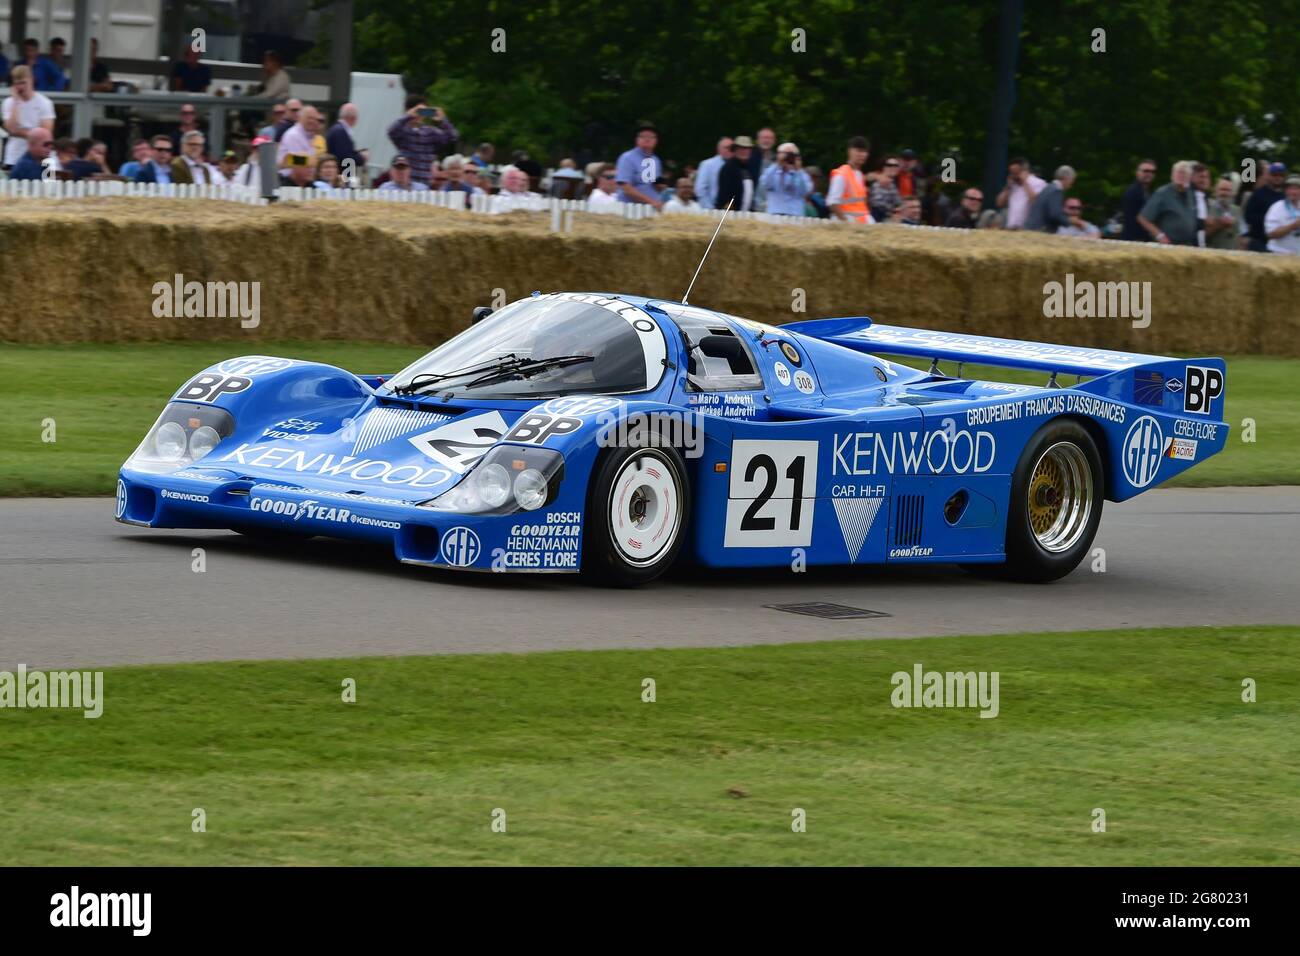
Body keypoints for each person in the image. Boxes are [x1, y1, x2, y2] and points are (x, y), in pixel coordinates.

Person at [387, 94, 458, 186]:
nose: (419, 114)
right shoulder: (403, 131)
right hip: (405, 184)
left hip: (424, 185)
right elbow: (391, 131)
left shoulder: (431, 132)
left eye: (423, 111)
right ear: (408, 110)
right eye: (417, 111)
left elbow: (453, 137)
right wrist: (408, 116)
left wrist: (443, 121)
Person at [2, 66, 56, 170]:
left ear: (32, 80)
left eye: (23, 83)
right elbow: (11, 129)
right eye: (17, 84)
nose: (20, 87)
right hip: (13, 157)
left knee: (48, 184)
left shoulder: (45, 103)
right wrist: (16, 102)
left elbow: (46, 133)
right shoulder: (8, 103)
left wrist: (21, 132)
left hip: (42, 158)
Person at [1137, 161, 1198, 245]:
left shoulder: (1191, 194)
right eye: (1177, 173)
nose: (1180, 176)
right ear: (1172, 175)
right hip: (1169, 245)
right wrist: (1160, 235)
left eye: (1183, 173)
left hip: (1187, 245)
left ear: (1189, 177)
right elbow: (1143, 218)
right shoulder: (1162, 193)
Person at [614, 122, 664, 210]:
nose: (647, 139)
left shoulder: (655, 160)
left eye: (651, 137)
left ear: (656, 141)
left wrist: (660, 187)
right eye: (643, 136)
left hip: (650, 209)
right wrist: (652, 202)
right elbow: (626, 188)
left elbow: (653, 185)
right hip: (630, 209)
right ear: (637, 139)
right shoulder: (627, 158)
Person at [1243, 162, 1287, 252]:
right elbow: (1248, 217)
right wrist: (1269, 218)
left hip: (1281, 243)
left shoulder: (1286, 196)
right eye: (1274, 175)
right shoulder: (1258, 194)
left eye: (1281, 175)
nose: (1277, 178)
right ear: (1269, 176)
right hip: (1259, 241)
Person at [759, 142, 812, 216]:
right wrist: (778, 164)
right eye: (786, 154)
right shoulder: (773, 171)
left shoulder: (802, 174)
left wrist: (798, 170)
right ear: (778, 155)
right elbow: (765, 183)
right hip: (775, 214)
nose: (788, 157)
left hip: (795, 215)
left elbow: (804, 192)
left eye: (791, 155)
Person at [828, 135, 872, 223]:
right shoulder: (842, 174)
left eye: (865, 152)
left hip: (861, 222)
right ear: (850, 151)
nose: (863, 155)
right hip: (847, 223)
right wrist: (845, 222)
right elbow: (832, 202)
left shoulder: (859, 174)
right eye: (859, 151)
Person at [996, 157, 1046, 229]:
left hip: (1029, 229)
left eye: (1016, 173)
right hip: (1011, 228)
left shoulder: (1039, 183)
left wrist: (1025, 183)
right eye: (1011, 173)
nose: (1013, 176)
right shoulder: (1012, 185)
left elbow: (1037, 203)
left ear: (1025, 171)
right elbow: (999, 203)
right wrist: (1007, 187)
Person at [1025, 165, 1077, 233]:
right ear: (1066, 178)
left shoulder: (1048, 188)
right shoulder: (1056, 191)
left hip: (1033, 227)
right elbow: (1054, 214)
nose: (1071, 185)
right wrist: (1069, 221)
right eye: (1071, 180)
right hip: (1041, 230)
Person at [325, 103, 367, 180]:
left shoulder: (336, 130)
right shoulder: (341, 132)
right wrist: (361, 157)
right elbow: (346, 159)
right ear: (353, 118)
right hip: (341, 179)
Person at [715, 135, 756, 211]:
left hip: (745, 213)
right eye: (740, 148)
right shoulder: (728, 168)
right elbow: (725, 195)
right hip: (731, 213)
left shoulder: (749, 168)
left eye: (746, 148)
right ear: (734, 150)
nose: (744, 151)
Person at [1119, 159, 1158, 241]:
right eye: (1146, 171)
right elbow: (1130, 219)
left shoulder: (1151, 192)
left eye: (1152, 171)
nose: (1149, 174)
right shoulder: (1131, 192)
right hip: (1134, 239)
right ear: (1137, 172)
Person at [1263, 175, 1300, 255]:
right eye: (1290, 188)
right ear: (1285, 190)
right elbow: (1270, 234)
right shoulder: (1276, 208)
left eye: (1297, 188)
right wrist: (1293, 226)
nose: (1293, 192)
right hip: (1279, 253)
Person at [694, 137, 732, 210]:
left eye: (732, 148)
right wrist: (709, 208)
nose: (729, 150)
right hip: (711, 208)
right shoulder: (707, 164)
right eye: (726, 147)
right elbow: (700, 189)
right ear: (718, 149)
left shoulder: (737, 166)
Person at [1206, 177, 1242, 251]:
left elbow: (1239, 235)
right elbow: (1203, 234)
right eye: (1222, 189)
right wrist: (1220, 224)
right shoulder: (1208, 208)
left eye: (1228, 190)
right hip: (1213, 255)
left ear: (1233, 193)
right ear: (1215, 191)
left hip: (1232, 256)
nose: (1224, 193)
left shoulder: (1237, 210)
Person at [869, 155, 903, 222]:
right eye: (889, 165)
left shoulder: (893, 184)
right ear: (883, 167)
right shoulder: (878, 183)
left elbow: (898, 203)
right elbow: (878, 207)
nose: (893, 167)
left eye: (896, 165)